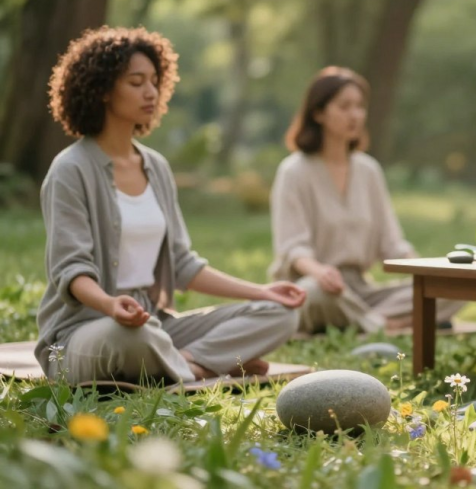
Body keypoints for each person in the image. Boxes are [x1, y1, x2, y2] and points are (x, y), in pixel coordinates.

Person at [35, 27, 305, 384]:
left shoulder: (156, 167)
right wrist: (110, 305)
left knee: (280, 314)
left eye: (154, 81)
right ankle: (212, 363)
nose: (151, 91)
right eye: (136, 82)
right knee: (131, 337)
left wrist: (263, 291)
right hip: (84, 332)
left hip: (152, 323)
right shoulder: (70, 170)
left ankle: (191, 362)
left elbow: (182, 264)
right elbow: (71, 270)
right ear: (101, 90)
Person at [269, 66, 463, 334]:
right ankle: (382, 325)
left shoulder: (368, 170)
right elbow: (293, 248)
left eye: (360, 106)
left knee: (454, 285)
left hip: (360, 292)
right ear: (318, 113)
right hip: (315, 286)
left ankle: (365, 323)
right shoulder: (294, 171)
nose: (355, 115)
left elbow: (391, 243)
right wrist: (320, 272)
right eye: (344, 106)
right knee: (312, 292)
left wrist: (428, 273)